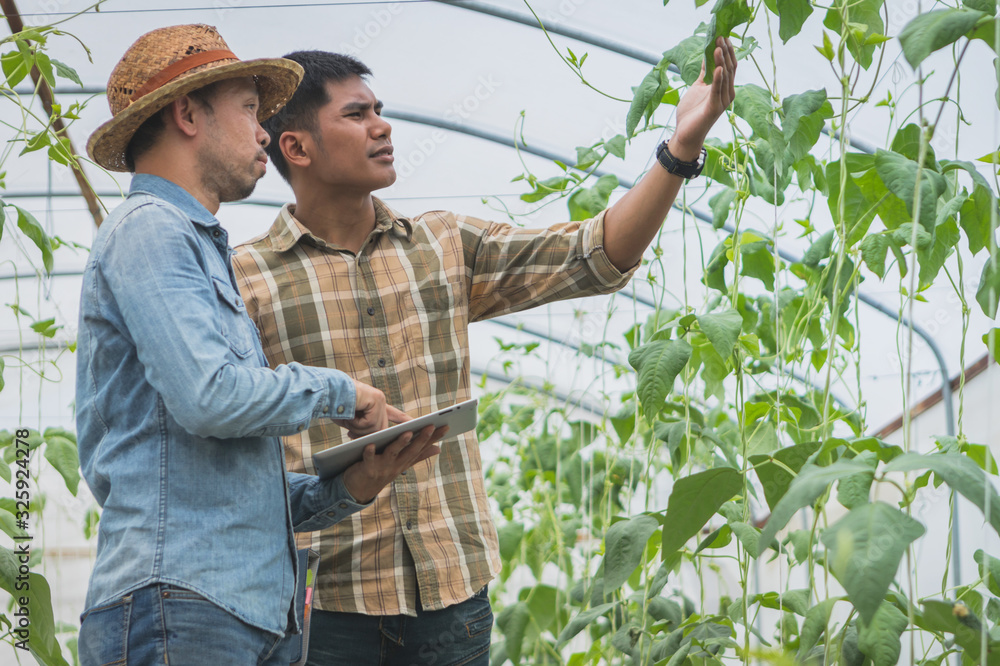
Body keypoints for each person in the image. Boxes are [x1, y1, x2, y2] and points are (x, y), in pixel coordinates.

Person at [233, 40, 737, 665]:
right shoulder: (245, 279)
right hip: (325, 601)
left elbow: (596, 255)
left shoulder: (444, 244)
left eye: (379, 110)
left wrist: (679, 149)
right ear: (298, 147)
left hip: (452, 597)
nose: (382, 126)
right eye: (356, 114)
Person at [76, 24, 445, 666]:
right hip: (182, 607)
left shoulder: (200, 248)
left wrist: (354, 482)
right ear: (187, 113)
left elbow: (226, 485)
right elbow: (209, 398)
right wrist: (340, 391)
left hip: (232, 612)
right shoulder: (150, 231)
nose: (264, 133)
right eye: (249, 109)